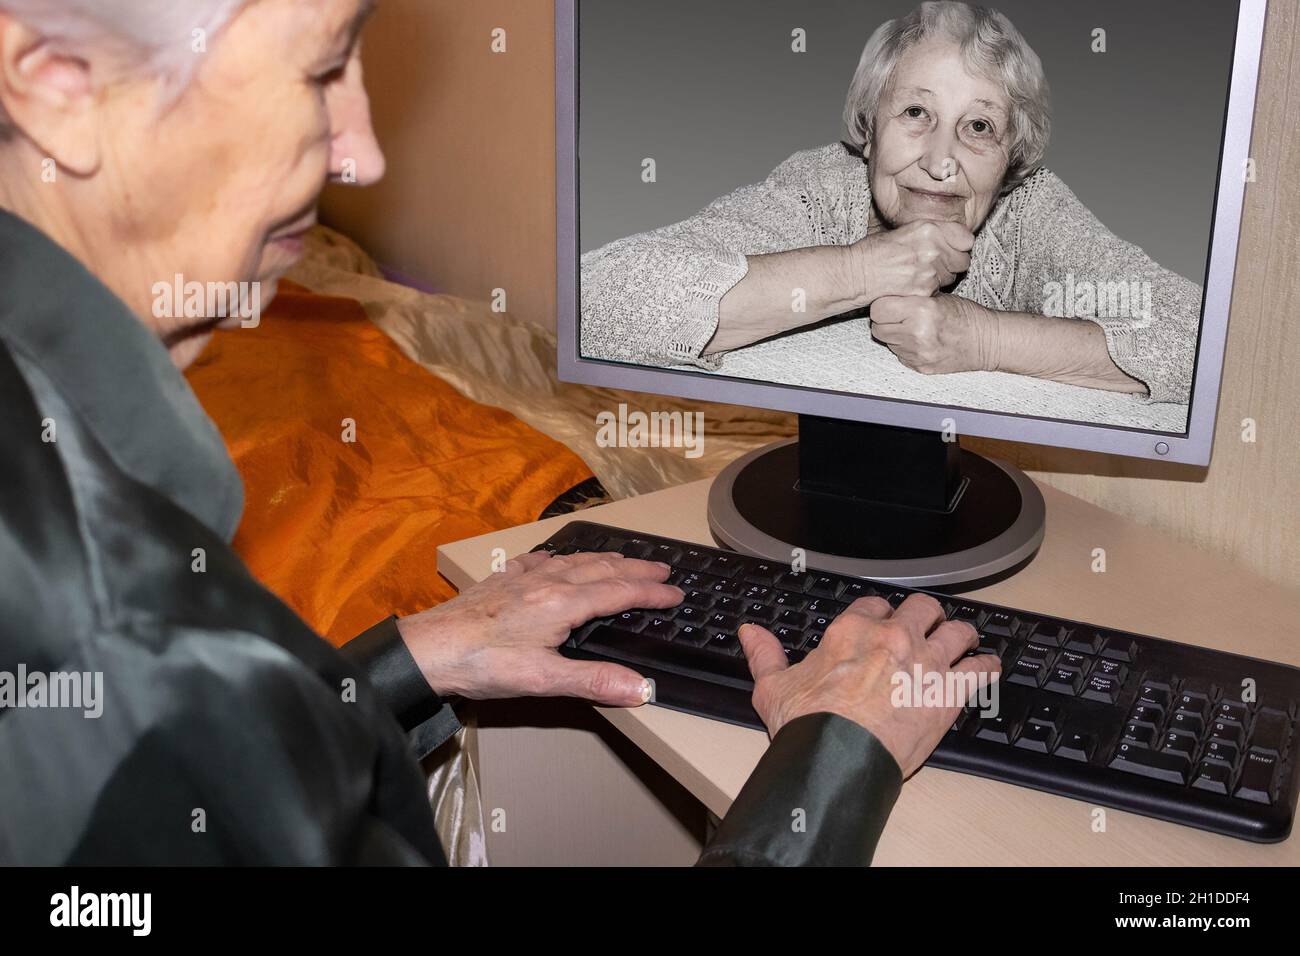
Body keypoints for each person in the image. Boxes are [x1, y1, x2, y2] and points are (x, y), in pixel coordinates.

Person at [0, 0, 997, 866]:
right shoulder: (102, 614)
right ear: (56, 90)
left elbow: (180, 784)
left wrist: (399, 661)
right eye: (316, 71)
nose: (364, 152)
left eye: (981, 125)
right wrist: (828, 762)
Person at [581, 1, 1201, 406]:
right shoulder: (821, 189)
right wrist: (861, 269)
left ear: (1012, 153)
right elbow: (598, 299)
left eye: (979, 127)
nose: (939, 160)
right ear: (869, 126)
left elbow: (1200, 339)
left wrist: (988, 340)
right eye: (915, 113)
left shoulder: (1033, 213)